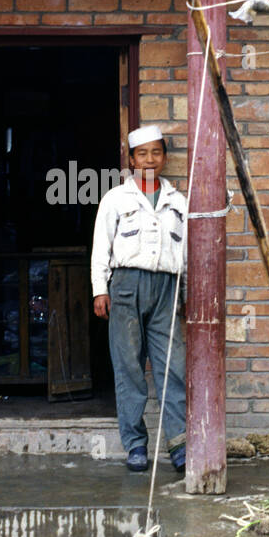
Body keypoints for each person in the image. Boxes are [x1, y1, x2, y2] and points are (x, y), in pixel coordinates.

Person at [91, 125, 188, 474]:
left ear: (164, 157)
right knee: (129, 367)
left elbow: (186, 251)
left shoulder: (178, 201)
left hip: (167, 289)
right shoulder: (116, 199)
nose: (150, 160)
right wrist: (99, 289)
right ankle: (135, 446)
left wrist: (186, 293)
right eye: (142, 154)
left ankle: (179, 445)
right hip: (126, 286)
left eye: (156, 153)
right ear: (131, 159)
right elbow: (100, 247)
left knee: (172, 368)